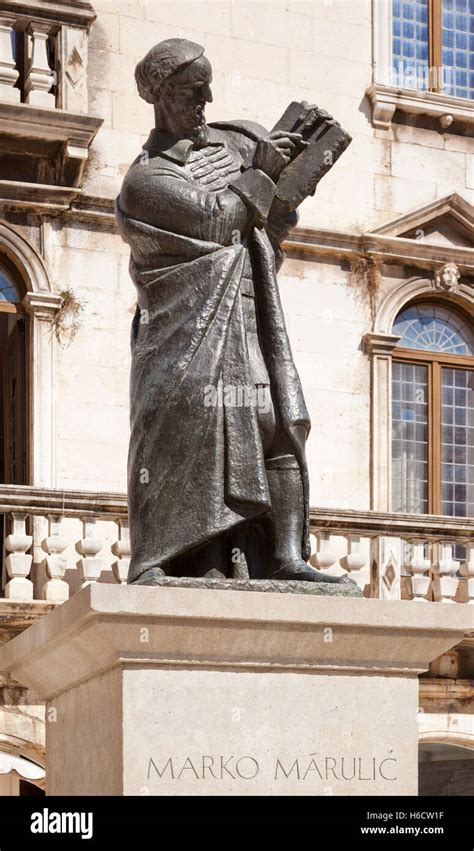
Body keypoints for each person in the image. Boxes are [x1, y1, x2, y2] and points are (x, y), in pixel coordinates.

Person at [116, 38, 340, 585]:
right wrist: (260, 173)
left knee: (276, 424)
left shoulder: (225, 151)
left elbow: (262, 224)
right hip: (184, 342)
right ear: (164, 96)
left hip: (247, 323)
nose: (207, 100)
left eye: (209, 88)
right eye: (195, 92)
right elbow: (218, 221)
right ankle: (168, 558)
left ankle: (286, 556)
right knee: (190, 436)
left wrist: (287, 178)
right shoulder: (146, 181)